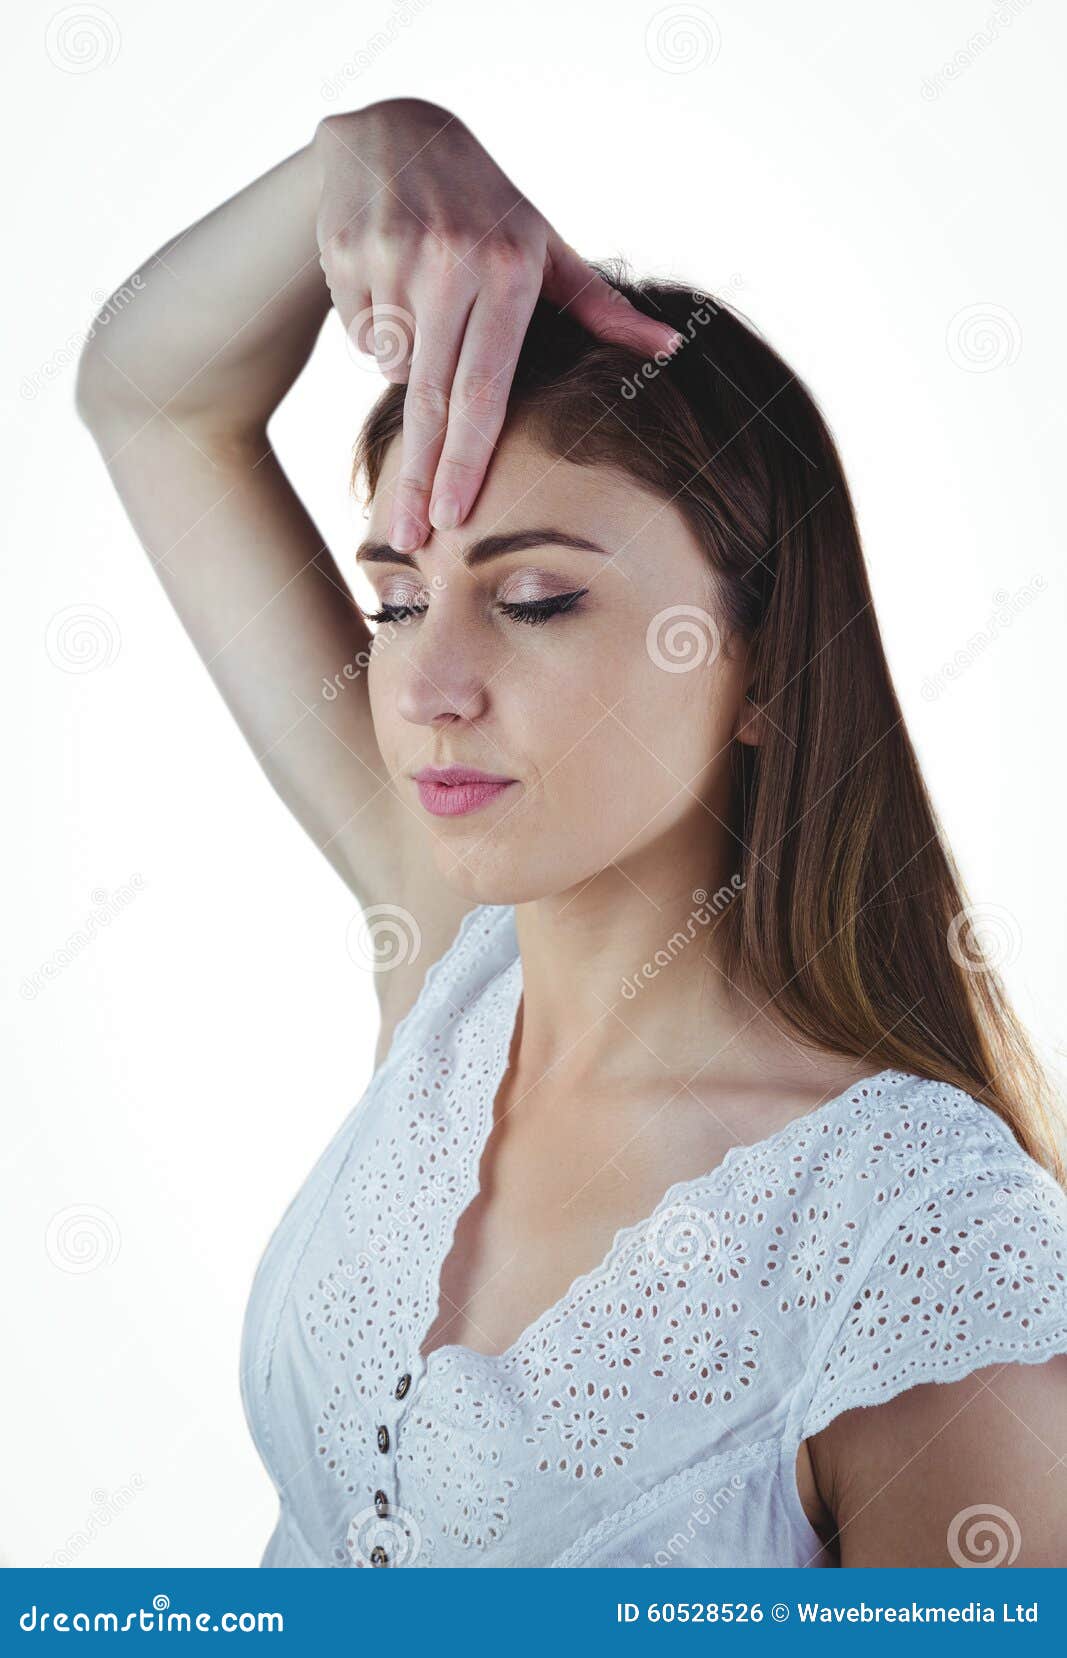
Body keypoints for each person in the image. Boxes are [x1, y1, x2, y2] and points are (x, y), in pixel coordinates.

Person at [76, 97, 1067, 1568]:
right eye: (398, 597)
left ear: (762, 665)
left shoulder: (923, 1246)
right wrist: (367, 150)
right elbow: (144, 392)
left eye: (535, 600)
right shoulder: (457, 968)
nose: (427, 686)